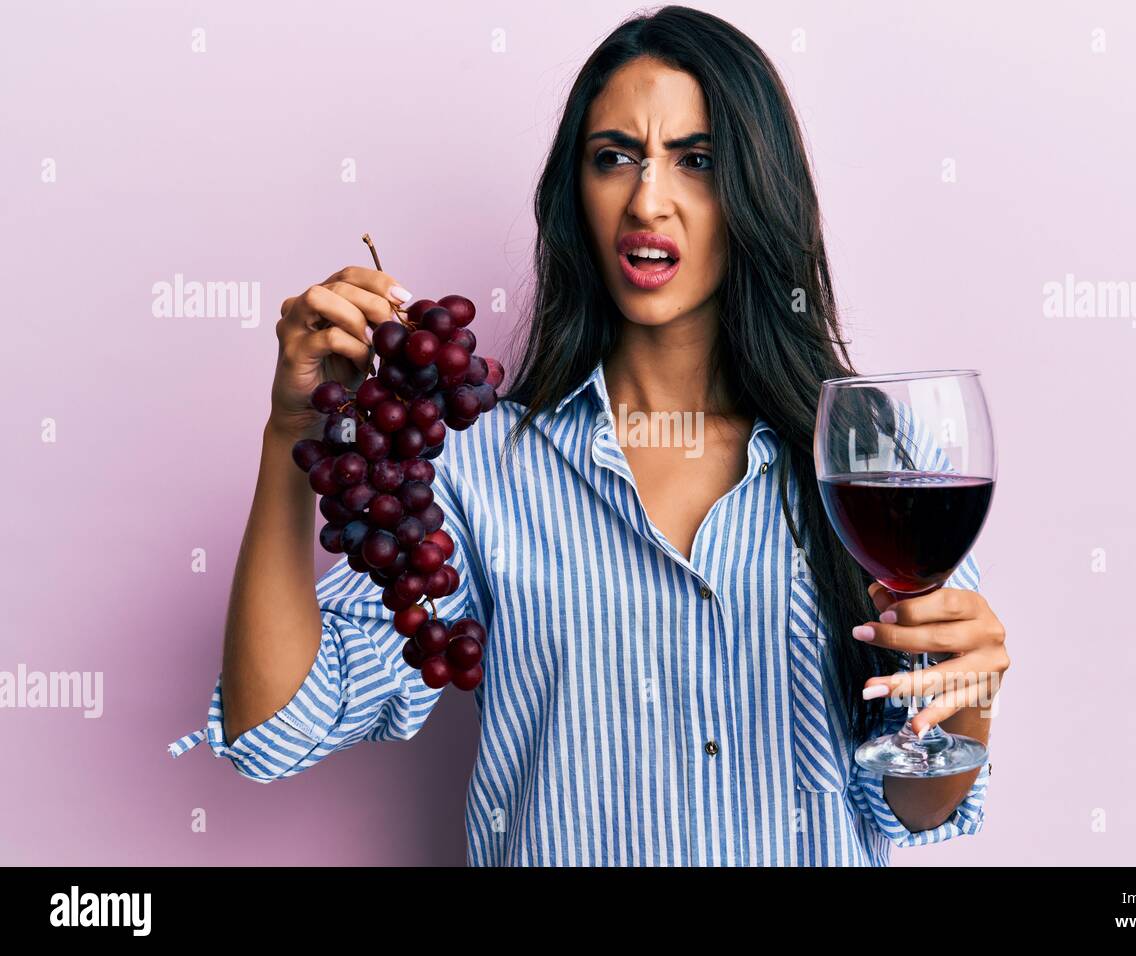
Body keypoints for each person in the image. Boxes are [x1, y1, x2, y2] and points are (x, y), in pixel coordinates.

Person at [168, 5, 1010, 866]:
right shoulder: (478, 469)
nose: (649, 199)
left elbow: (914, 805)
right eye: (615, 158)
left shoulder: (869, 464)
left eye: (698, 161)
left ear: (758, 189)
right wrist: (292, 433)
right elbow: (272, 727)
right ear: (577, 191)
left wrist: (967, 694)